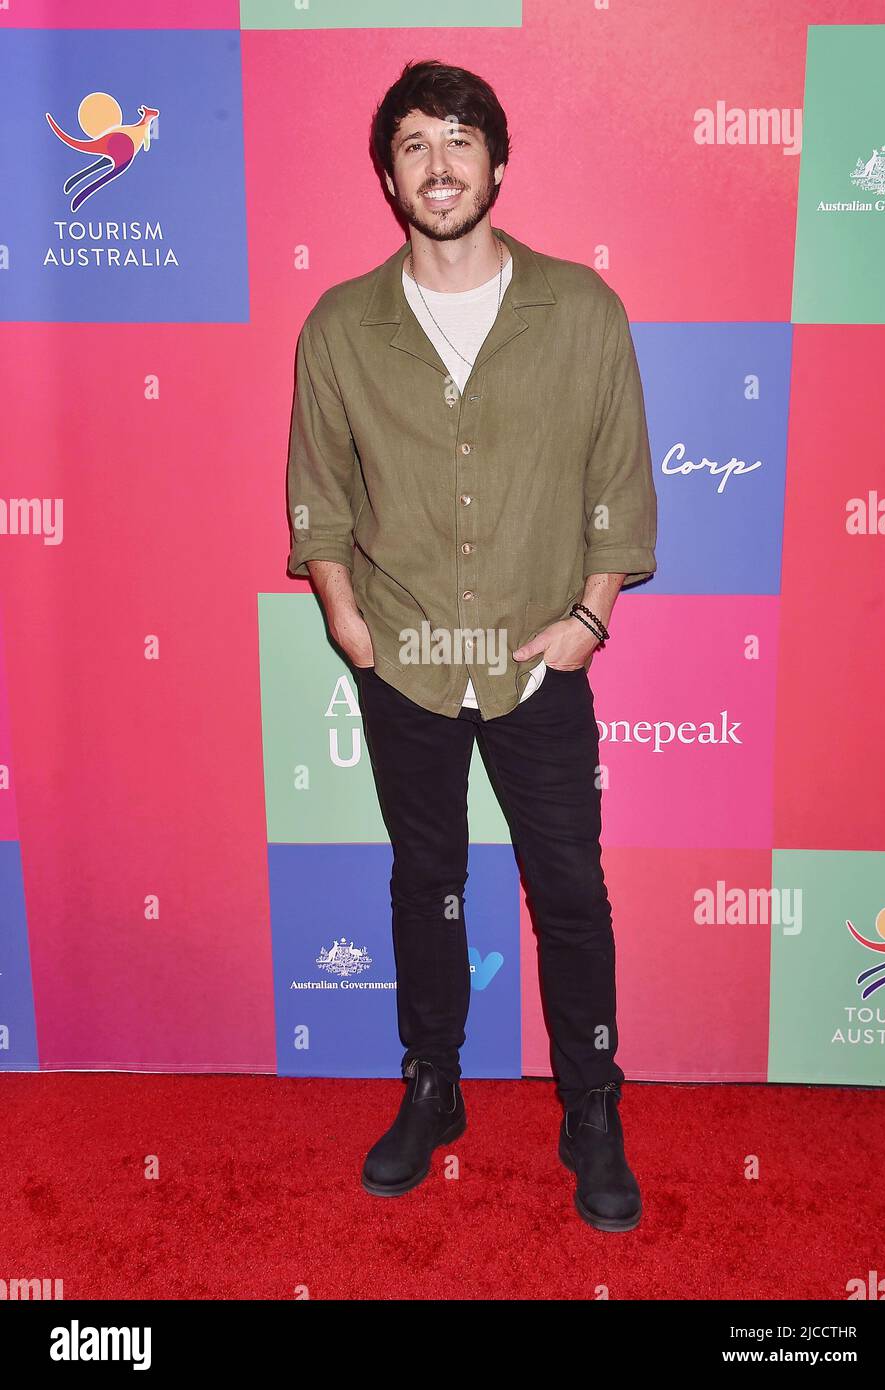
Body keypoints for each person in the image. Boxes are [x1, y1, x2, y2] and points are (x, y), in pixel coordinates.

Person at [287, 59, 657, 1232]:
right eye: (411, 145)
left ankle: (589, 1104)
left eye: (458, 140)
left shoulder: (582, 310)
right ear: (387, 176)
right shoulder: (341, 325)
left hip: (539, 662)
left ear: (497, 163)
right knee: (426, 885)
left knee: (569, 893)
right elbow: (319, 496)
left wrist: (589, 619)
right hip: (401, 657)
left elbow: (620, 484)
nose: (438, 164)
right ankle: (432, 1084)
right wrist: (349, 620)